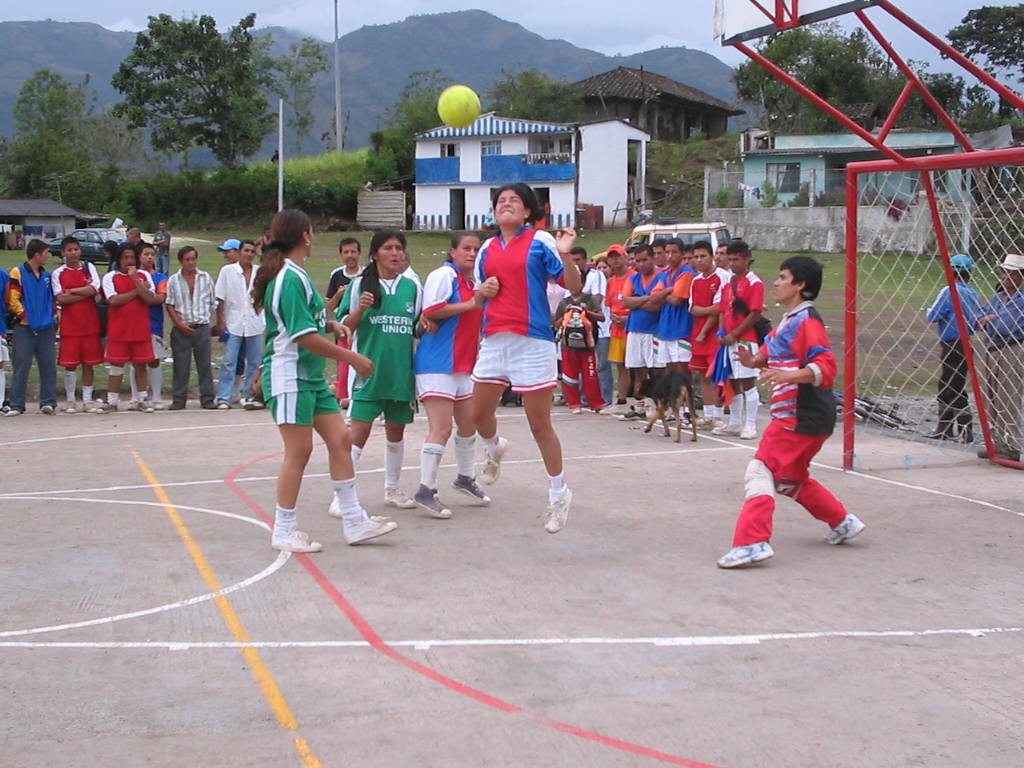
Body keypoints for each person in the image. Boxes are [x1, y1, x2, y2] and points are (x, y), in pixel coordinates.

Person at [252, 208, 395, 551]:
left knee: (341, 440)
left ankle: (354, 520)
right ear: (306, 235)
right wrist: (354, 358)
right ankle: (284, 528)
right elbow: (302, 337)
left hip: (311, 379)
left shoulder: (295, 274)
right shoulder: (289, 277)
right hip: (290, 378)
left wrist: (330, 324)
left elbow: (303, 323)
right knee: (298, 451)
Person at [717, 256, 864, 569]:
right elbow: (772, 351)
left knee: (760, 472)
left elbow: (826, 367)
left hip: (799, 417)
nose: (776, 282)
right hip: (807, 417)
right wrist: (753, 361)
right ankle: (842, 521)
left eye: (783, 277)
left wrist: (790, 376)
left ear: (801, 285)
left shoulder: (807, 322)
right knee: (791, 478)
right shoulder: (790, 320)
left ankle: (752, 542)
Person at [470, 182, 581, 533]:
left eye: (513, 200)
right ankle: (494, 446)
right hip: (495, 340)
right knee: (478, 414)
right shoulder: (487, 248)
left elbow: (573, 286)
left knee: (539, 424)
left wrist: (566, 253)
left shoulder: (540, 241)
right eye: (500, 201)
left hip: (532, 341)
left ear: (528, 210)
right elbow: (478, 296)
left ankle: (559, 494)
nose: (505, 204)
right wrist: (482, 292)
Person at [337, 229, 422, 511]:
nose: (395, 253)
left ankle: (393, 489)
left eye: (399, 248)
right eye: (389, 248)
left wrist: (426, 325)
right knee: (357, 433)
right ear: (375, 254)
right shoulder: (360, 285)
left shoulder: (412, 286)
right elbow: (344, 327)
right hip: (369, 373)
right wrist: (361, 310)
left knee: (396, 432)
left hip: (400, 373)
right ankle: (342, 496)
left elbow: (416, 327)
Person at [412, 232, 491, 518]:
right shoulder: (444, 275)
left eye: (476, 249)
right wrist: (471, 304)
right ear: (453, 251)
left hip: (463, 365)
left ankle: (465, 478)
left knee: (468, 425)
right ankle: (425, 489)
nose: (471, 253)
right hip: (438, 363)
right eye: (466, 248)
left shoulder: (475, 283)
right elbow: (431, 310)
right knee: (441, 429)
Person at [96, 243, 160, 413]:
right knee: (116, 365)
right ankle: (112, 401)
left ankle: (142, 400)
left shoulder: (144, 275)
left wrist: (135, 280)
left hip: (140, 328)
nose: (129, 261)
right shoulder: (110, 277)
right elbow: (114, 300)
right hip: (119, 329)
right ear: (119, 259)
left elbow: (150, 298)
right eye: (125, 257)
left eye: (132, 257)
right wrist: (137, 291)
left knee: (141, 365)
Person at [924, 253, 981, 441]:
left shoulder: (949, 291)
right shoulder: (973, 292)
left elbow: (933, 315)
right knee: (948, 384)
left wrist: (929, 311)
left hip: (952, 343)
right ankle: (945, 427)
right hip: (966, 343)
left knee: (952, 386)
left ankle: (965, 428)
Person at [714, 239, 764, 440]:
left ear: (746, 260)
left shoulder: (754, 283)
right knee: (732, 381)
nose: (733, 263)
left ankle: (750, 424)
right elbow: (722, 310)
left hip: (745, 339)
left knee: (747, 381)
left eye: (736, 259)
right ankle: (735, 422)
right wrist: (721, 332)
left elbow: (755, 314)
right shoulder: (730, 283)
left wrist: (735, 334)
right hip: (728, 339)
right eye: (730, 259)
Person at [976, 251, 1024, 462]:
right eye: (1005, 273)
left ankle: (1011, 444)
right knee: (991, 396)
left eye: (1012, 274)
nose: (1006, 277)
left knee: (1008, 396)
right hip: (992, 349)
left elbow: (1007, 325)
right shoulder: (999, 297)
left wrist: (989, 321)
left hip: (1012, 350)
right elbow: (978, 316)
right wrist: (986, 319)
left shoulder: (1021, 300)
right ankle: (995, 440)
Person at [5, 239, 57, 416]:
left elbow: (51, 298)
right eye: (46, 253)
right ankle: (17, 404)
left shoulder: (47, 276)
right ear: (37, 254)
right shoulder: (17, 272)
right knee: (22, 366)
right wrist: (26, 317)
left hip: (46, 327)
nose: (48, 256)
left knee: (48, 365)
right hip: (25, 327)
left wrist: (51, 316)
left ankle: (48, 401)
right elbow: (13, 298)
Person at [51, 236, 103, 412]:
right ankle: (71, 400)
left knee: (89, 363)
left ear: (80, 250)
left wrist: (73, 290)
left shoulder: (90, 268)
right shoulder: (58, 273)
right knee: (70, 363)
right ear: (63, 253)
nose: (73, 253)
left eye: (76, 249)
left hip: (90, 323)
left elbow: (95, 289)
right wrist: (84, 291)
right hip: (70, 325)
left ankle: (87, 400)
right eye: (69, 250)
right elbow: (61, 298)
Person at [164, 246, 218, 410]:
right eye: (187, 259)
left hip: (201, 326)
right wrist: (179, 324)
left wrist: (207, 321)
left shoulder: (205, 277)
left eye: (193, 259)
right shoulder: (174, 280)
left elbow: (212, 301)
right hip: (182, 327)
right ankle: (179, 399)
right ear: (181, 261)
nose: (191, 262)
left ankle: (207, 398)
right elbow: (170, 304)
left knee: (204, 364)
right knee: (181, 365)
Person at [215, 239, 264, 409]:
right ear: (240, 251)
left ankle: (249, 395)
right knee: (229, 361)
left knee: (254, 362)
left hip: (255, 323)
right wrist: (221, 323)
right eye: (246, 250)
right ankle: (224, 397)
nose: (249, 254)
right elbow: (220, 299)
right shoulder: (227, 271)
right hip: (233, 322)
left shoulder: (260, 272)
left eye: (252, 251)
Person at [618, 243, 661, 420]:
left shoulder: (661, 277)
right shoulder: (633, 279)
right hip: (635, 329)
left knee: (656, 369)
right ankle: (641, 404)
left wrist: (637, 301)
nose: (641, 264)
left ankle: (659, 404)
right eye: (638, 260)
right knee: (638, 368)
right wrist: (645, 299)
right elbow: (625, 302)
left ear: (653, 258)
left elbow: (656, 305)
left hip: (653, 330)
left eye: (645, 260)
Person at [688, 240, 726, 428]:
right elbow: (693, 308)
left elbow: (720, 308)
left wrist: (705, 329)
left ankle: (719, 415)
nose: (699, 260)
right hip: (699, 333)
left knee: (716, 374)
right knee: (703, 375)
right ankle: (708, 414)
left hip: (714, 334)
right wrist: (706, 310)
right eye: (696, 257)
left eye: (703, 256)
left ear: (711, 257)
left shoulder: (722, 277)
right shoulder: (696, 280)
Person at [554, 282, 606, 414]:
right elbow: (556, 323)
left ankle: (596, 402)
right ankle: (574, 402)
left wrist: (586, 312)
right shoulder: (564, 302)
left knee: (590, 374)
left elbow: (601, 317)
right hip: (568, 344)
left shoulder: (590, 299)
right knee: (570, 375)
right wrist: (567, 314)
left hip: (587, 344)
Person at [325, 237, 363, 404]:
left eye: (353, 252)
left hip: (361, 326)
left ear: (359, 254)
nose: (350, 255)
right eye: (346, 252)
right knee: (344, 362)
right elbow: (329, 307)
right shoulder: (336, 275)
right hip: (342, 327)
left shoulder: (366, 274)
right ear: (341, 255)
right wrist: (339, 295)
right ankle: (343, 392)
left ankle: (355, 393)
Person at [604, 244, 634, 415]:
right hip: (617, 328)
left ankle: (641, 400)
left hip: (632, 327)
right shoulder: (611, 281)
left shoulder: (633, 277)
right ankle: (621, 400)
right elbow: (610, 304)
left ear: (625, 257)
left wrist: (627, 318)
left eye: (618, 256)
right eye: (612, 257)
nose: (615, 260)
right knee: (620, 366)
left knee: (638, 366)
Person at [137, 242, 168, 409]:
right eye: (145, 254)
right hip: (135, 324)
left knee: (155, 360)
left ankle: (156, 396)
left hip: (154, 323)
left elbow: (160, 298)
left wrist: (144, 294)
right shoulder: (132, 275)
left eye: (152, 254)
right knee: (137, 361)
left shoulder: (160, 278)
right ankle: (137, 397)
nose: (149, 257)